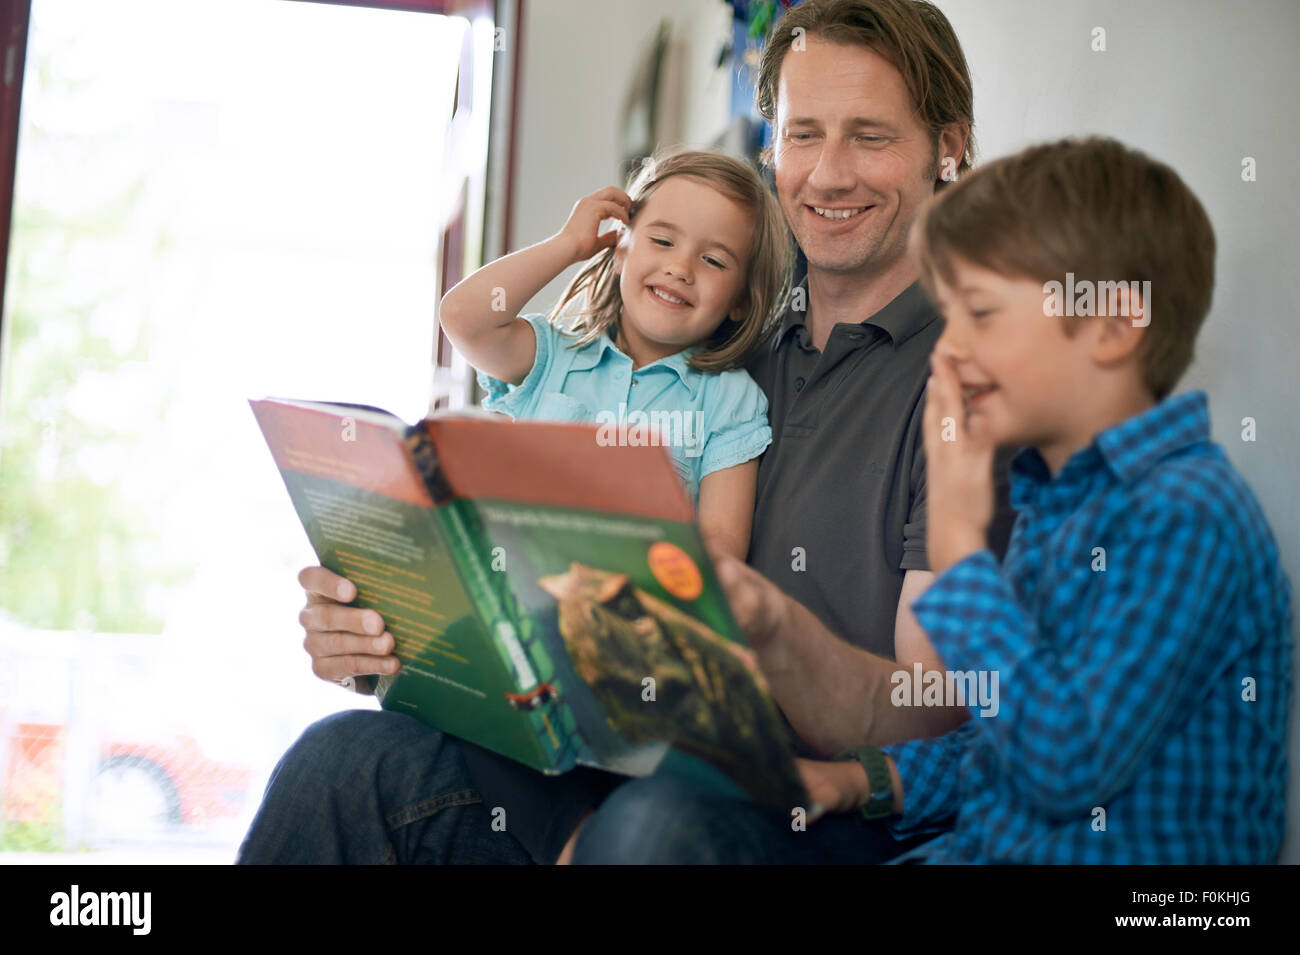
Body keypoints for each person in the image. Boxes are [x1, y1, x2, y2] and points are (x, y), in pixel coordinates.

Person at [238, 0, 1011, 866]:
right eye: (803, 135)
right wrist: (398, 631)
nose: (828, 174)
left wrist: (767, 632)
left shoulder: (973, 378)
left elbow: (929, 701)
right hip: (612, 765)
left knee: (648, 832)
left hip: (819, 813)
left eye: (870, 137)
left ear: (950, 147)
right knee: (337, 764)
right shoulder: (723, 347)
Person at [576, 136, 1293, 864]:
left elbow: (1063, 763)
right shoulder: (1060, 503)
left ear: (1109, 326)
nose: (947, 352)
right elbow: (998, 740)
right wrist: (865, 779)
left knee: (652, 832)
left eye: (980, 315)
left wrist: (956, 547)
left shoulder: (1182, 514)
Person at [439, 147, 793, 560]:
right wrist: (568, 244)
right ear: (620, 250)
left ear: (741, 301)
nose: (680, 268)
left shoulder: (730, 399)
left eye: (713, 260)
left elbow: (723, 552)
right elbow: (463, 316)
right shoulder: (552, 356)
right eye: (662, 240)